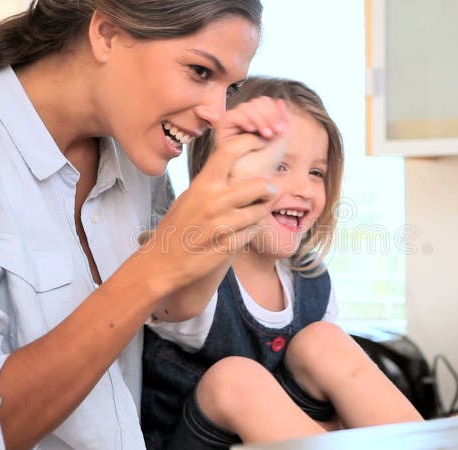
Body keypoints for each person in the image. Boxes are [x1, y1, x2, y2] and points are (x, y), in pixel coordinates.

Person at [0, 1, 293, 449]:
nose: (217, 112)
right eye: (199, 71)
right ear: (107, 33)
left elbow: (173, 310)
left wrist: (230, 201)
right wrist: (156, 264)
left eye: (230, 88)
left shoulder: (134, 152)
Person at [140, 77, 423, 450]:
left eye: (316, 173)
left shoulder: (311, 278)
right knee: (235, 378)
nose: (304, 189)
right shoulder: (195, 267)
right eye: (278, 166)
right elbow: (177, 301)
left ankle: (426, 444)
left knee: (324, 342)